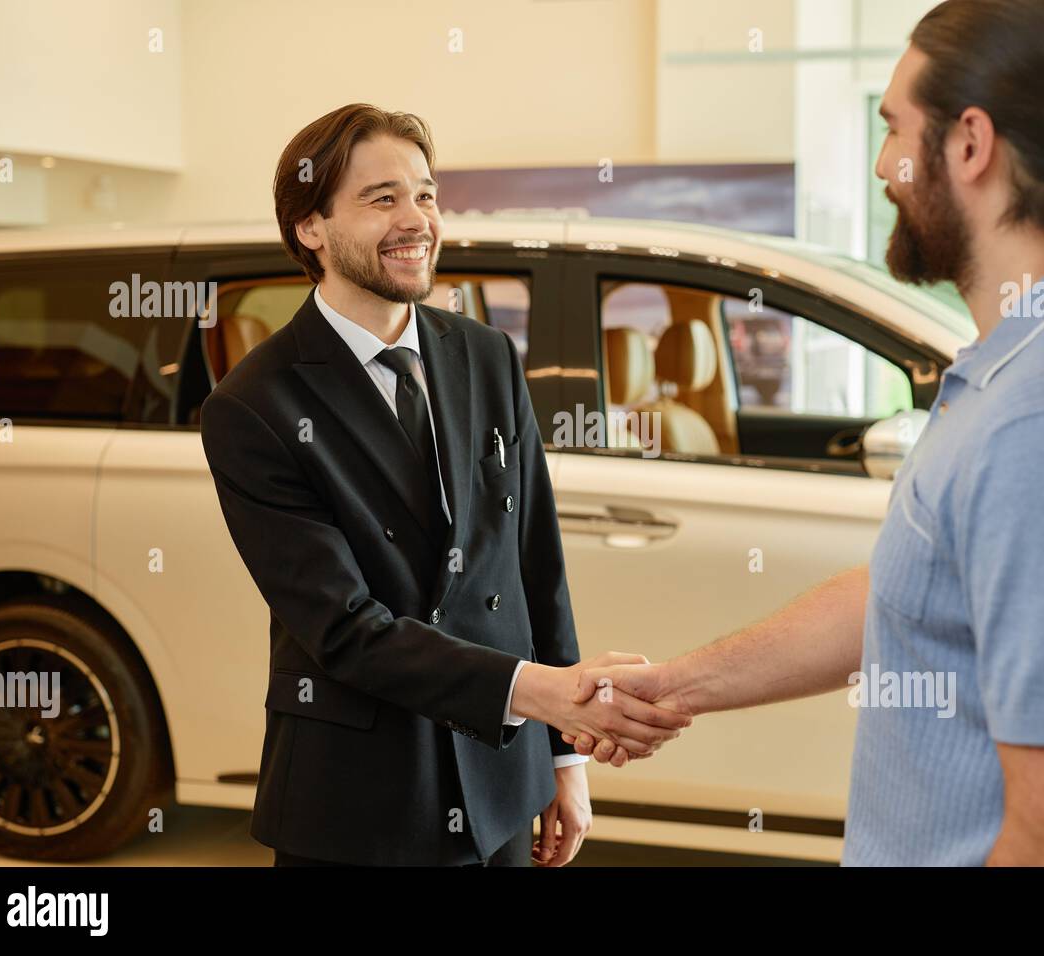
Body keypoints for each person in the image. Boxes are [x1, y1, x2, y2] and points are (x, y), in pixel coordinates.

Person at [567, 0, 1044, 866]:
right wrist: (677, 688)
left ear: (970, 143)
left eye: (894, 128)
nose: (882, 165)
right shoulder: (1017, 364)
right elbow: (911, 594)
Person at [199, 104, 689, 867]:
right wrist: (543, 694)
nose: (416, 219)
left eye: (425, 195)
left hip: (501, 781)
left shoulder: (486, 355)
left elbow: (534, 565)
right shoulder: (255, 406)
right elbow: (345, 630)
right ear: (310, 227)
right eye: (382, 198)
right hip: (359, 803)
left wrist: (563, 756)